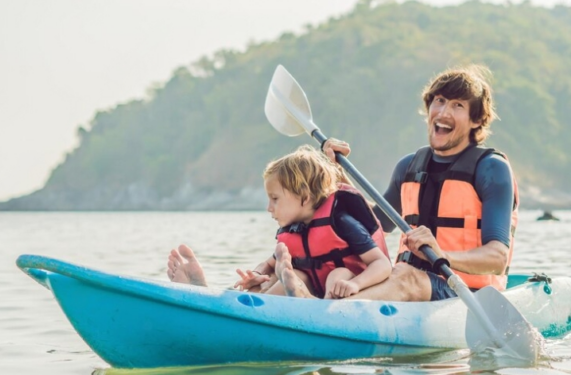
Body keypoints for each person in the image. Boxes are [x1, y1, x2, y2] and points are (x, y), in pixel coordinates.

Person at [285, 64, 519, 302]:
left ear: (477, 120)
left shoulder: (491, 168)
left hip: (467, 294)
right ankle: (289, 294)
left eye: (458, 105)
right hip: (406, 283)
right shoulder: (408, 167)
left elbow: (496, 259)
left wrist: (441, 255)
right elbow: (370, 225)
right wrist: (336, 168)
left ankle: (327, 313)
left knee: (407, 276)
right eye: (439, 101)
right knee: (347, 271)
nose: (444, 112)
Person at [167, 145, 392, 299]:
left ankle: (311, 304)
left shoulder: (342, 222)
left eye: (275, 199)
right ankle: (207, 295)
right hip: (308, 285)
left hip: (344, 288)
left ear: (304, 197)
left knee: (335, 275)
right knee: (286, 277)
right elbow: (270, 263)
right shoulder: (291, 231)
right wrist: (256, 274)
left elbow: (382, 264)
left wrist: (354, 284)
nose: (269, 208)